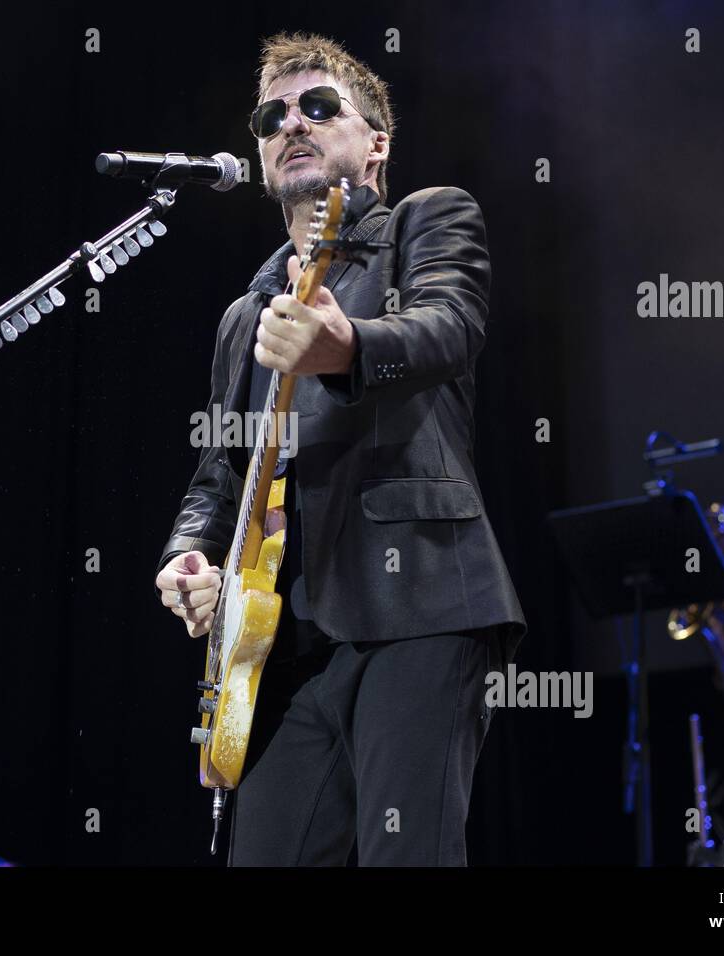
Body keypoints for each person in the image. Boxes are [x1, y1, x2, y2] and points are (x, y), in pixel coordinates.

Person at [154, 32, 524, 866]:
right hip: (277, 638)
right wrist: (187, 556)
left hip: (419, 606)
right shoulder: (245, 315)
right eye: (271, 115)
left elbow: (449, 328)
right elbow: (219, 471)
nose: (293, 124)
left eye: (320, 107)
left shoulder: (427, 219)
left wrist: (346, 343)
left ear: (376, 143)